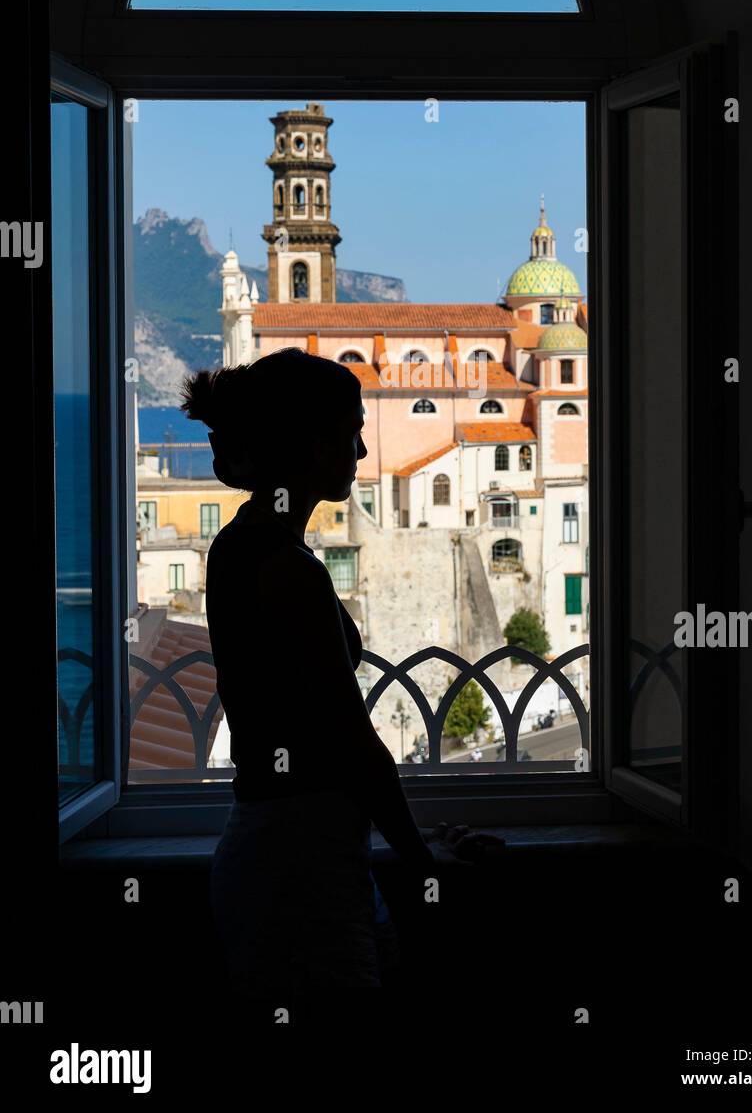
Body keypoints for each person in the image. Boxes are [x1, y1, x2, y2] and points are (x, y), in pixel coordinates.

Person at [182, 347, 501, 1033]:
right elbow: (351, 742)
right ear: (311, 445)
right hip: (300, 874)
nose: (361, 447)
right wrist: (422, 861)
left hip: (293, 857)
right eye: (352, 430)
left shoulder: (247, 548)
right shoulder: (284, 568)